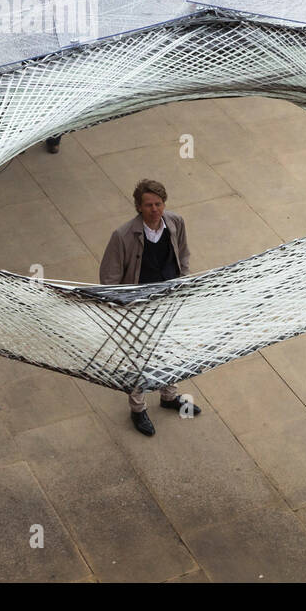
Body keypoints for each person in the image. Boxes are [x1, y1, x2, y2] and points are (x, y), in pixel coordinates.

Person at [99, 178, 202, 436]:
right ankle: (138, 409)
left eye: (158, 203)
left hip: (168, 298)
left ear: (164, 203)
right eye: (148, 205)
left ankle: (169, 396)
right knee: (138, 358)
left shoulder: (176, 222)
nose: (154, 209)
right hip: (139, 305)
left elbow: (184, 253)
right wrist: (121, 307)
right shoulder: (122, 236)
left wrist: (183, 284)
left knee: (170, 350)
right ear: (138, 207)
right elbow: (109, 277)